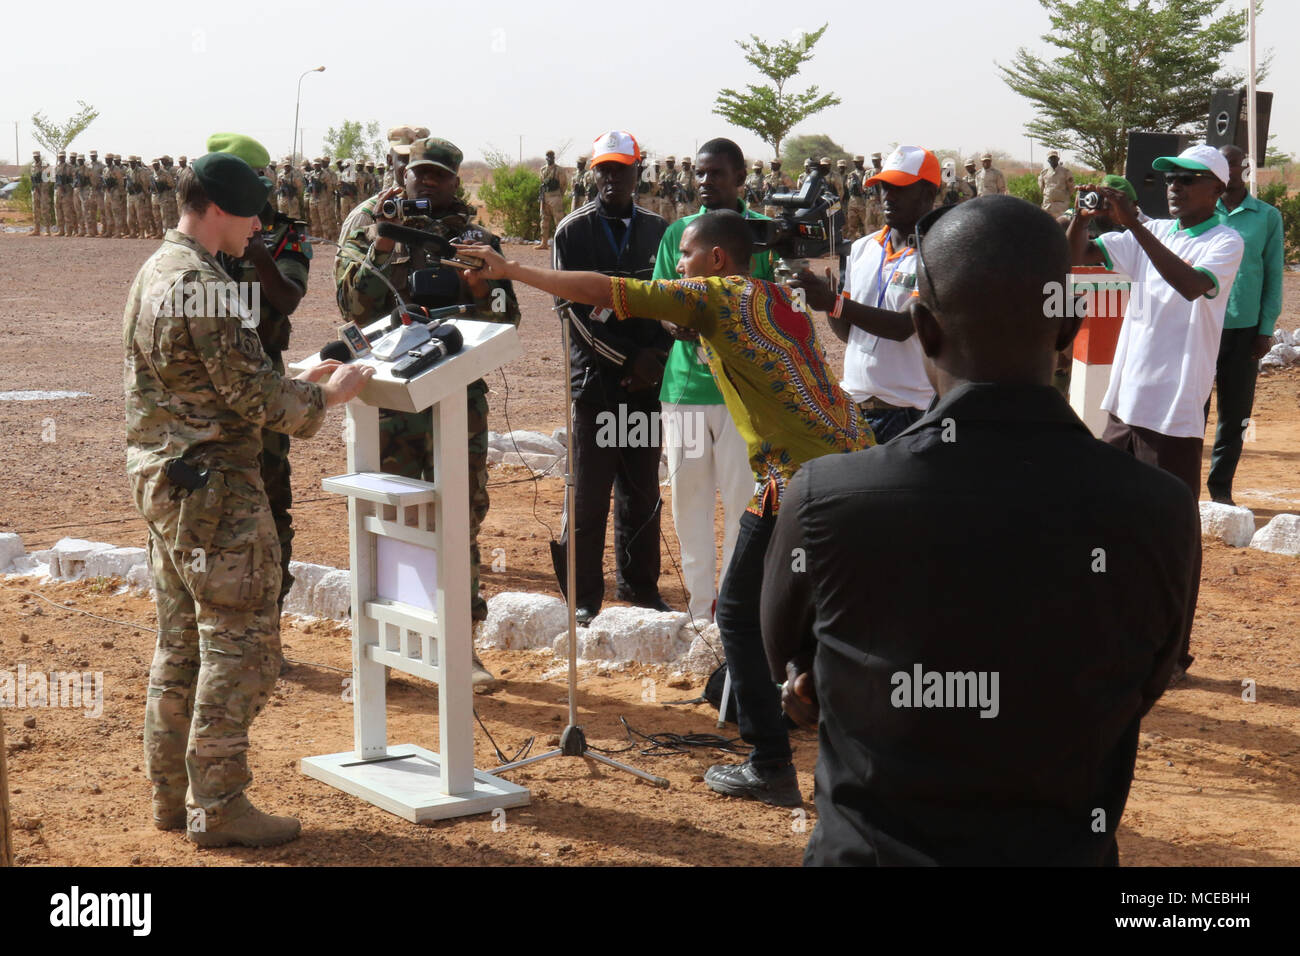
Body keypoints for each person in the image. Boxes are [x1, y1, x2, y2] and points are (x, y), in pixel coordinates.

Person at [761, 195, 1201, 866]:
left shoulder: (824, 499)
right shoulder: (1161, 510)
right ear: (1068, 327)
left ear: (925, 330)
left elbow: (790, 665)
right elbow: (1148, 678)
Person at [457, 209, 872, 808]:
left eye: (685, 256)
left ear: (717, 260)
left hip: (796, 480)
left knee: (737, 611)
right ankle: (822, 706)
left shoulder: (715, 294)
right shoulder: (775, 296)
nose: (678, 264)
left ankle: (771, 765)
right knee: (827, 602)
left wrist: (511, 269)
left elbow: (604, 290)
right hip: (856, 460)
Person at [127, 150, 373, 847]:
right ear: (219, 210)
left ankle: (172, 799)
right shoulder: (204, 283)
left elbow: (197, 380)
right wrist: (325, 395)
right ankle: (221, 803)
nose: (260, 226)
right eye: (252, 213)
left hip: (168, 480)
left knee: (181, 644)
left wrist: (293, 372)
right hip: (216, 494)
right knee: (242, 645)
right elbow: (253, 397)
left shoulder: (159, 269)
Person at [335, 136, 519, 691]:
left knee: (459, 515)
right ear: (403, 172)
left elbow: (507, 316)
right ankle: (380, 654)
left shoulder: (472, 233)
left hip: (455, 393)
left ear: (455, 181)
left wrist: (478, 286)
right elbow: (352, 304)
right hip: (388, 397)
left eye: (439, 175)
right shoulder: (370, 222)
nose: (428, 182)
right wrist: (386, 244)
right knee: (384, 517)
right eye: (420, 172)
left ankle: (459, 647)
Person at [1070, 144, 1244, 681]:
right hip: (1123, 403)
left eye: (1189, 180)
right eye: (1169, 178)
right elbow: (1078, 256)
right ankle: (1114, 635)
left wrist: (1136, 226)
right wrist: (1083, 217)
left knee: (1169, 537)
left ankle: (1172, 654)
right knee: (1105, 521)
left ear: (1217, 188)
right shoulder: (1153, 232)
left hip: (1172, 411)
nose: (1175, 186)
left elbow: (1190, 286)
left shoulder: (1225, 240)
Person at [549, 130, 672, 624]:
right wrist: (628, 363)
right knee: (590, 492)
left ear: (639, 171)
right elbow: (572, 312)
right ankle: (582, 598)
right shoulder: (571, 232)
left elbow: (672, 298)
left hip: (647, 388)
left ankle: (641, 589)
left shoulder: (660, 231)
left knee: (642, 487)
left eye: (622, 168)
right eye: (605, 168)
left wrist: (656, 360)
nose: (612, 177)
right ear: (592, 173)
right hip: (596, 386)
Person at [655, 138, 772, 623]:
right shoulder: (677, 232)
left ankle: (736, 613)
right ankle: (702, 612)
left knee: (745, 501)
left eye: (717, 174)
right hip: (684, 389)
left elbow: (765, 302)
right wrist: (674, 323)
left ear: (740, 178)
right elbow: (661, 297)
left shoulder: (762, 233)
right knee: (689, 503)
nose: (705, 183)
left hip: (741, 393)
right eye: (700, 174)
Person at [208, 134, 314, 625]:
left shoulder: (286, 233)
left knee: (272, 504)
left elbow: (289, 299)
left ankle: (269, 619)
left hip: (264, 378)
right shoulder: (200, 236)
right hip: (208, 387)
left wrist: (261, 257)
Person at [791, 146, 938, 443]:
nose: (887, 196)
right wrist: (827, 304)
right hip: (855, 407)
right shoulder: (862, 248)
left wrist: (834, 303)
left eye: (899, 187)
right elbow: (851, 333)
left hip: (909, 413)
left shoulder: (937, 253)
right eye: (884, 186)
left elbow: (901, 327)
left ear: (927, 194)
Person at [1204, 144, 1284, 506]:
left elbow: (1273, 274)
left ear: (1244, 167)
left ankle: (1221, 490)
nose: (1227, 171)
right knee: (1192, 411)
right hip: (1202, 326)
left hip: (1245, 329)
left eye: (1232, 164)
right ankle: (1182, 488)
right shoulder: (1201, 213)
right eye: (1220, 165)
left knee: (1235, 415)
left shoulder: (1266, 217)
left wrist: (1266, 328)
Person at [538, 149, 567, 249]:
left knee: (558, 220)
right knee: (544, 220)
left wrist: (559, 195)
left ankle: (561, 243)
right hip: (545, 197)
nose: (549, 158)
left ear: (554, 158)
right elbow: (541, 183)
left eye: (551, 157)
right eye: (548, 157)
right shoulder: (542, 170)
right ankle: (544, 243)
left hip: (555, 196)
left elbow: (563, 184)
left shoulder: (559, 170)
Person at [1039, 149, 1074, 217]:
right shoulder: (1044, 173)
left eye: (1054, 158)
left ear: (1058, 159)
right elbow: (1041, 187)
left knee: (1062, 224)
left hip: (1061, 205)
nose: (1053, 160)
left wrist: (1064, 198)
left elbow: (1071, 188)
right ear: (1048, 160)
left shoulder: (1065, 172)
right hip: (1048, 205)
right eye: (1051, 158)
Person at [843, 155, 868, 240]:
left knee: (866, 226)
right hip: (852, 202)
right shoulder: (851, 174)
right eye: (855, 162)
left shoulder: (866, 174)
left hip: (863, 203)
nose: (856, 164)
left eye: (858, 162)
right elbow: (848, 187)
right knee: (851, 228)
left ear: (862, 162)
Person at [29, 151, 49, 236]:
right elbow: (32, 176)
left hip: (43, 189)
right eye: (34, 157)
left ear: (40, 156)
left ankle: (48, 230)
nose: (36, 158)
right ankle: (36, 229)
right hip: (35, 189)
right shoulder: (33, 165)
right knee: (35, 210)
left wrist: (42, 182)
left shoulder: (45, 165)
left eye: (37, 156)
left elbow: (49, 178)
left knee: (45, 209)